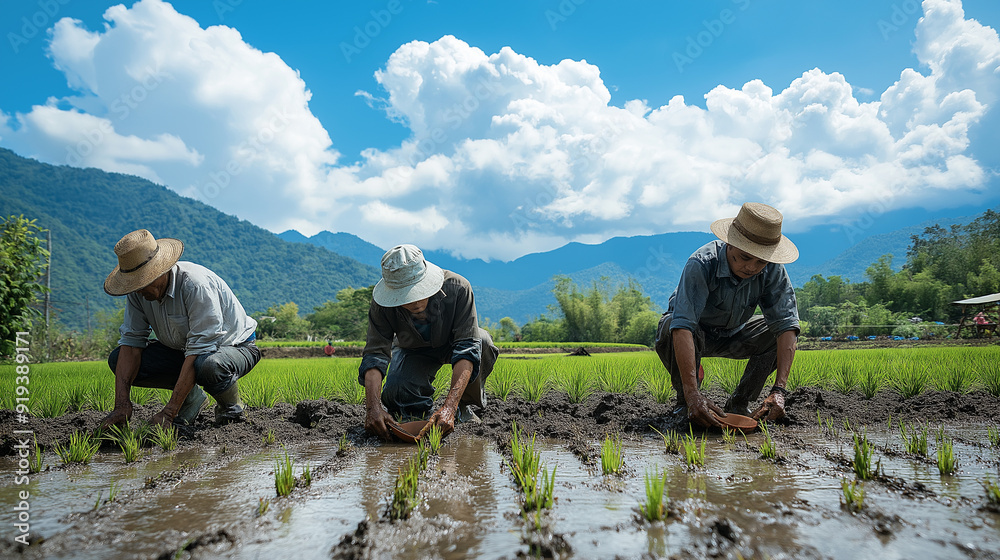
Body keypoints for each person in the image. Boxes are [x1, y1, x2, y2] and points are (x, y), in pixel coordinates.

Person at [654, 202, 800, 428]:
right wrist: (693, 394)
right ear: (730, 244)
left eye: (760, 261)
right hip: (694, 334)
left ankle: (740, 403)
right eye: (744, 257)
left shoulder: (772, 270)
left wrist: (779, 390)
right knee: (670, 324)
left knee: (777, 332)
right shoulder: (702, 264)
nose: (751, 267)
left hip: (736, 333)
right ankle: (686, 404)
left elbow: (787, 325)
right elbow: (683, 326)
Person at [101, 229, 261, 430]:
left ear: (160, 271)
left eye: (143, 282)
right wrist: (121, 406)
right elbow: (132, 344)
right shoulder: (138, 293)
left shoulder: (195, 285)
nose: (139, 291)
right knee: (118, 360)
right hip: (184, 351)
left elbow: (200, 349)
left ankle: (231, 408)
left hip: (234, 347)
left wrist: (169, 412)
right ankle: (193, 399)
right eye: (134, 285)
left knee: (209, 365)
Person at [359, 244, 499, 439]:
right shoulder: (382, 305)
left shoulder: (459, 288)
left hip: (454, 344)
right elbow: (375, 355)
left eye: (418, 292)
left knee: (482, 340)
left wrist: (450, 407)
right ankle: (415, 412)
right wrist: (372, 408)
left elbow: (467, 348)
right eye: (406, 296)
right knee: (397, 394)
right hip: (414, 350)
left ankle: (462, 408)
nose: (415, 302)